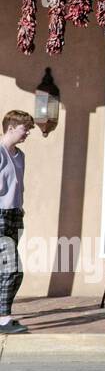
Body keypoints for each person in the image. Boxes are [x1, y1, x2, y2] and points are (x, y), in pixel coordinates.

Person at [0, 110, 34, 335]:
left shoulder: (20, 155)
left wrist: (20, 208)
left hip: (14, 214)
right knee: (13, 269)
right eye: (25, 128)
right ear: (11, 127)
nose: (28, 132)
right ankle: (4, 319)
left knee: (5, 268)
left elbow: (17, 186)